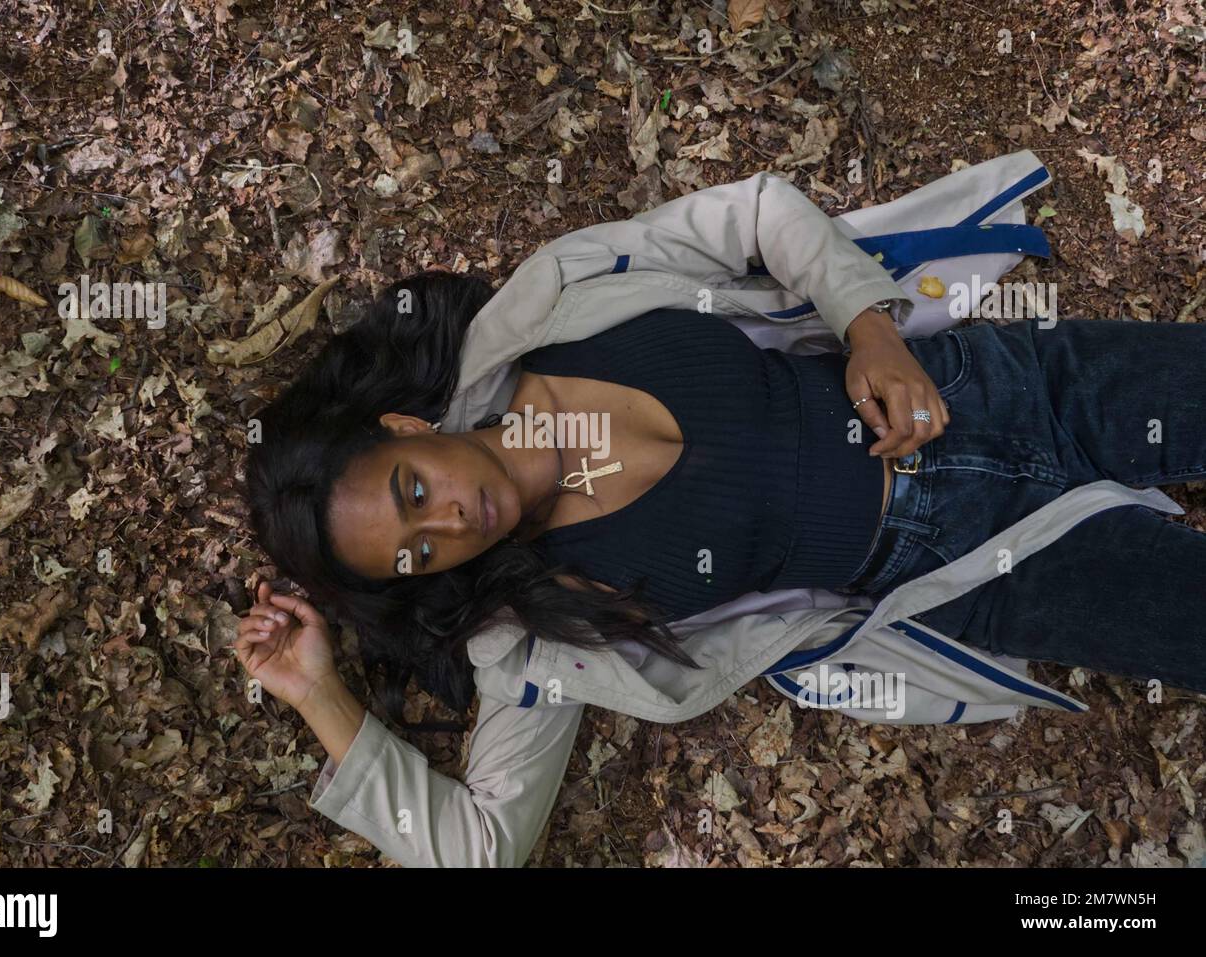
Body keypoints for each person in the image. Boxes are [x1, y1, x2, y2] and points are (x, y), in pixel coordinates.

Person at [235, 169, 1206, 866]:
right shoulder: (534, 634)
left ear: (403, 425)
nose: (446, 522)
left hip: (994, 388)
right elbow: (479, 849)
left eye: (413, 489)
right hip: (981, 568)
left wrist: (866, 325)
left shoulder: (550, 305)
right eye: (417, 554)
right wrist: (322, 697)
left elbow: (752, 212)